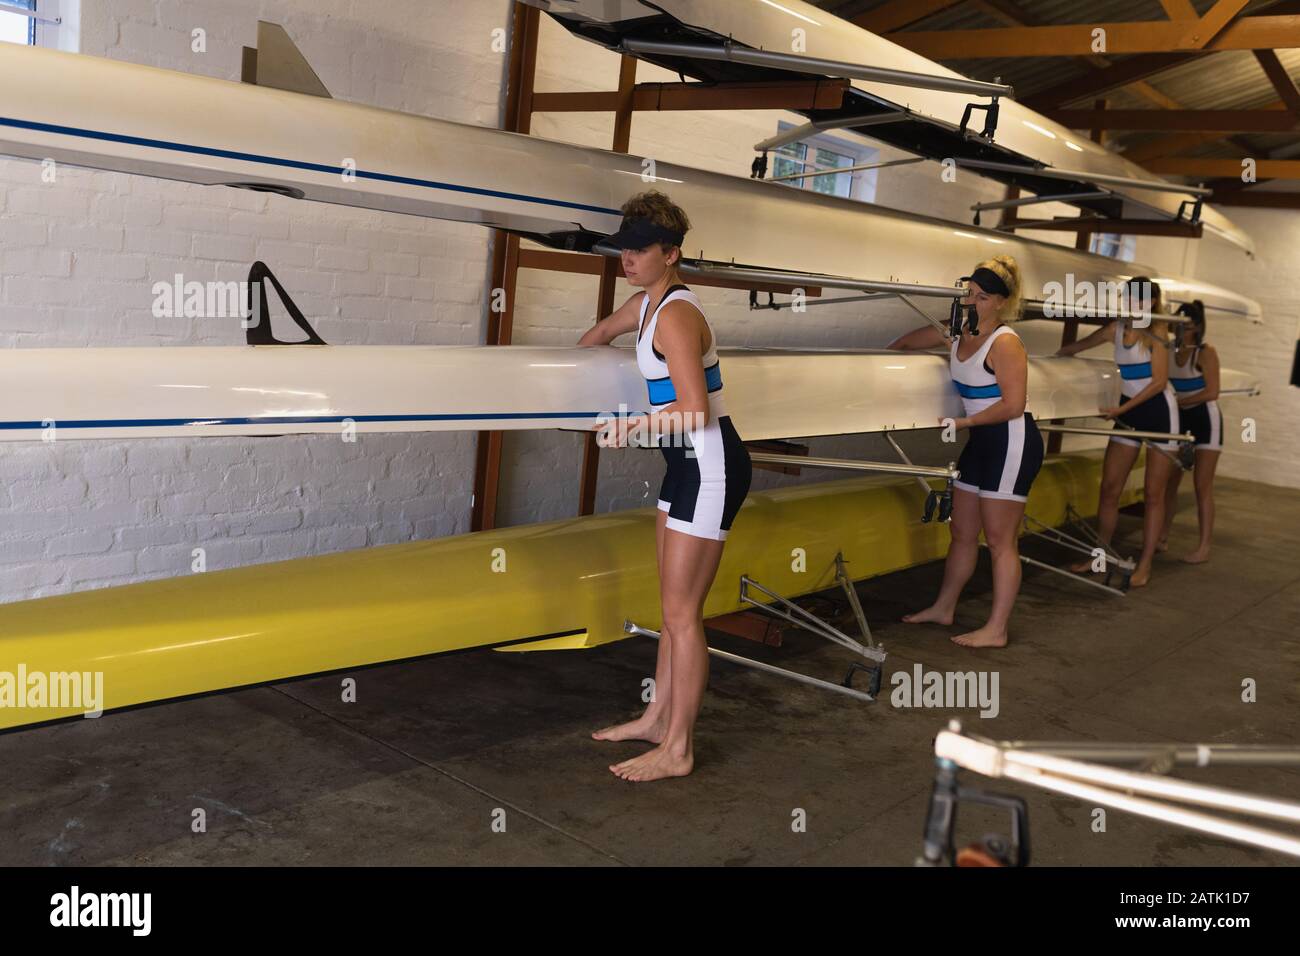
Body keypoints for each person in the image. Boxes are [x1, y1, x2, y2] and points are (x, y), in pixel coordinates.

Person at [577, 189, 751, 782]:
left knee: (682, 615)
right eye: (622, 248)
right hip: (684, 464)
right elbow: (597, 334)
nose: (626, 258)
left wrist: (631, 427)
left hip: (710, 463)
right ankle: (656, 717)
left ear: (671, 253)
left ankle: (678, 749)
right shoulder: (645, 303)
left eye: (639, 250)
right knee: (672, 608)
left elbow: (696, 409)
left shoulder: (677, 315)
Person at [886, 255, 1043, 648]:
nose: (973, 301)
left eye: (983, 296)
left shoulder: (1005, 343)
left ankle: (997, 629)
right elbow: (905, 342)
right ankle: (944, 607)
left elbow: (1013, 404)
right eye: (969, 293)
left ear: (1002, 302)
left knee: (1001, 538)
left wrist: (963, 423)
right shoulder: (955, 333)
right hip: (982, 441)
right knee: (962, 531)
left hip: (1011, 441)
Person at [1055, 277, 1178, 588]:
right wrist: (1048, 359)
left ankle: (1145, 564)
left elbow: (1159, 383)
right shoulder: (1116, 328)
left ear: (1151, 303)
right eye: (1128, 298)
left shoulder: (1159, 333)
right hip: (1128, 412)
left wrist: (1121, 411)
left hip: (1160, 414)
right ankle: (1099, 558)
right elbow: (1078, 347)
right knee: (1110, 489)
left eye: (1139, 299)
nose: (1132, 304)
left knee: (1153, 495)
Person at [1159, 300, 1221, 563]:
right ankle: (1162, 536)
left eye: (1188, 325)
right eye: (1179, 324)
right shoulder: (1168, 349)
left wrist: (1177, 402)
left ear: (1196, 327)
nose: (1183, 329)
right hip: (1179, 420)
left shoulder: (1205, 352)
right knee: (1168, 483)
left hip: (1205, 421)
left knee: (1201, 486)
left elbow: (1212, 392)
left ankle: (1204, 546)